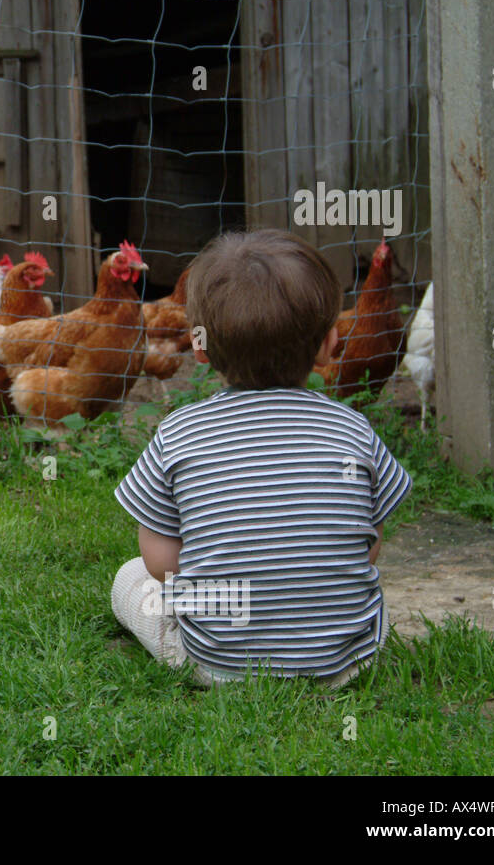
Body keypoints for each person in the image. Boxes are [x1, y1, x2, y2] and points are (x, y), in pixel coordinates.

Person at [112, 230, 411, 687]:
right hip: (344, 663)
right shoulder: (355, 430)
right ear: (330, 343)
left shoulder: (179, 433)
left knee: (130, 577)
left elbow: (160, 562)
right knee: (365, 588)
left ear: (199, 346)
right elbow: (369, 544)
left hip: (216, 664)